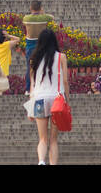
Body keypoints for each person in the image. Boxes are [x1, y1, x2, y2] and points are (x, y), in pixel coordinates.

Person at [26, 27, 69, 166]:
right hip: (57, 99)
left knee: (42, 138)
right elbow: (65, 81)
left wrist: (30, 105)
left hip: (39, 99)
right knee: (53, 139)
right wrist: (67, 100)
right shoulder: (61, 57)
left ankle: (41, 161)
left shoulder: (34, 59)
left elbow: (32, 84)